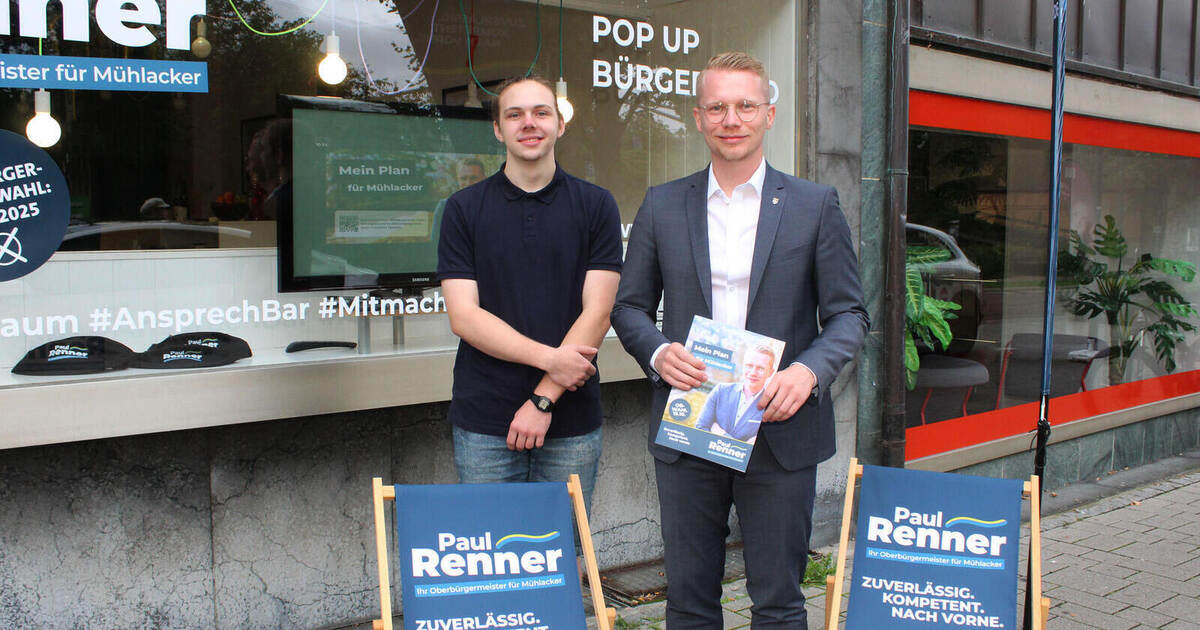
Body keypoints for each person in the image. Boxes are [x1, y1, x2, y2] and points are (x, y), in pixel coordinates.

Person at [611, 52, 869, 629]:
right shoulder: (662, 204)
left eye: (746, 105)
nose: (733, 118)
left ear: (769, 114)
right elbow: (628, 307)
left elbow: (850, 314)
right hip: (691, 424)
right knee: (689, 601)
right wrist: (656, 351)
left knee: (779, 601)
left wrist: (807, 373)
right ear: (699, 117)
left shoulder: (813, 205)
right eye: (718, 106)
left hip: (780, 427)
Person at [437, 76, 622, 515]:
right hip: (485, 421)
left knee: (563, 560)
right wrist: (550, 359)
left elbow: (599, 311)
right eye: (514, 114)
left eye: (541, 112)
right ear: (498, 130)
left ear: (560, 124)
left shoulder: (596, 205)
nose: (529, 123)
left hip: (571, 421)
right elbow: (464, 316)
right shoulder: (463, 209)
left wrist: (543, 398)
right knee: (489, 563)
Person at [694, 345, 777, 443]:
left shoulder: (771, 405)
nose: (753, 373)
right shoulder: (721, 390)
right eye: (749, 366)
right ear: (743, 366)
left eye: (760, 368)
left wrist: (720, 433)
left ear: (770, 373)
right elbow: (700, 428)